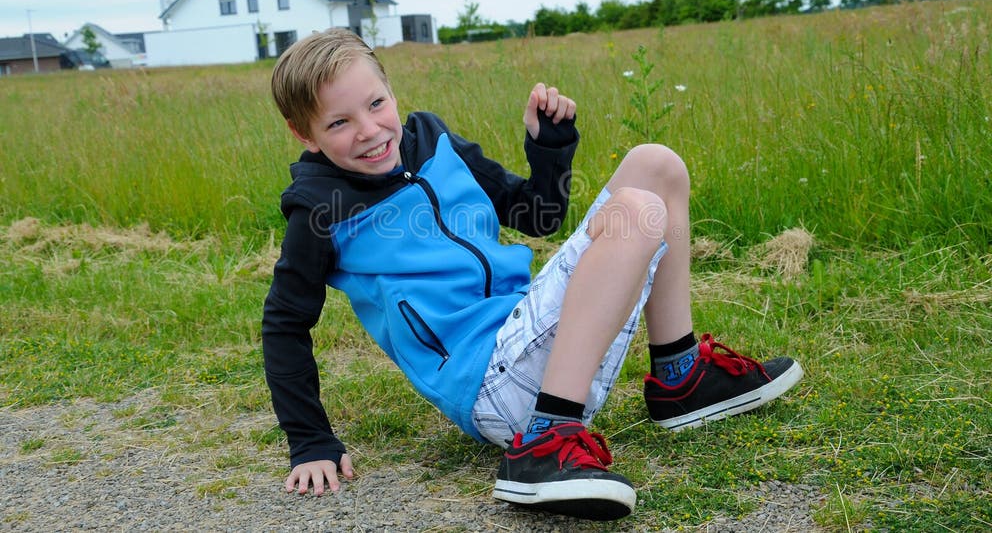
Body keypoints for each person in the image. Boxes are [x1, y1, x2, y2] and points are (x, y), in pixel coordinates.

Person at [262, 28, 803, 521]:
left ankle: (681, 375)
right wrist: (311, 442)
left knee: (656, 164)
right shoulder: (319, 209)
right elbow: (284, 325)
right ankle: (547, 443)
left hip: (527, 334)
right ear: (303, 133)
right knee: (637, 211)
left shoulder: (431, 142)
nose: (370, 130)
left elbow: (536, 216)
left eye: (376, 104)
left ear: (390, 90)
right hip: (490, 383)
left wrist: (549, 147)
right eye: (339, 122)